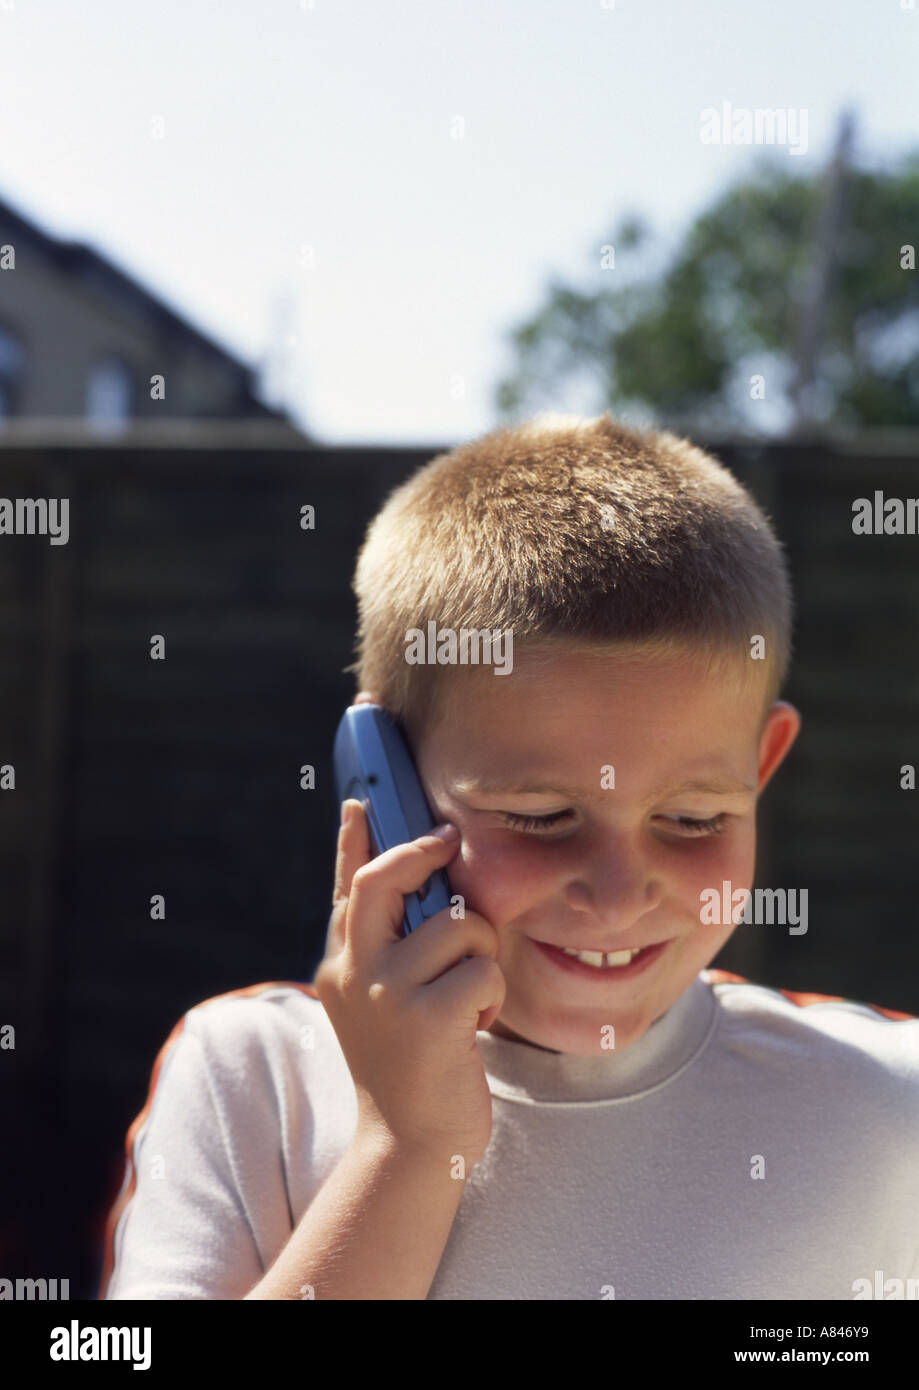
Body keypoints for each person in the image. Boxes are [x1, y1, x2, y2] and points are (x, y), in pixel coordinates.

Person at [98, 412, 918, 1300]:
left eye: (689, 818)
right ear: (384, 786)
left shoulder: (886, 1106)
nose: (615, 894)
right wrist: (406, 1148)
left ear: (760, 770)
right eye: (540, 816)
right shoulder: (253, 1080)